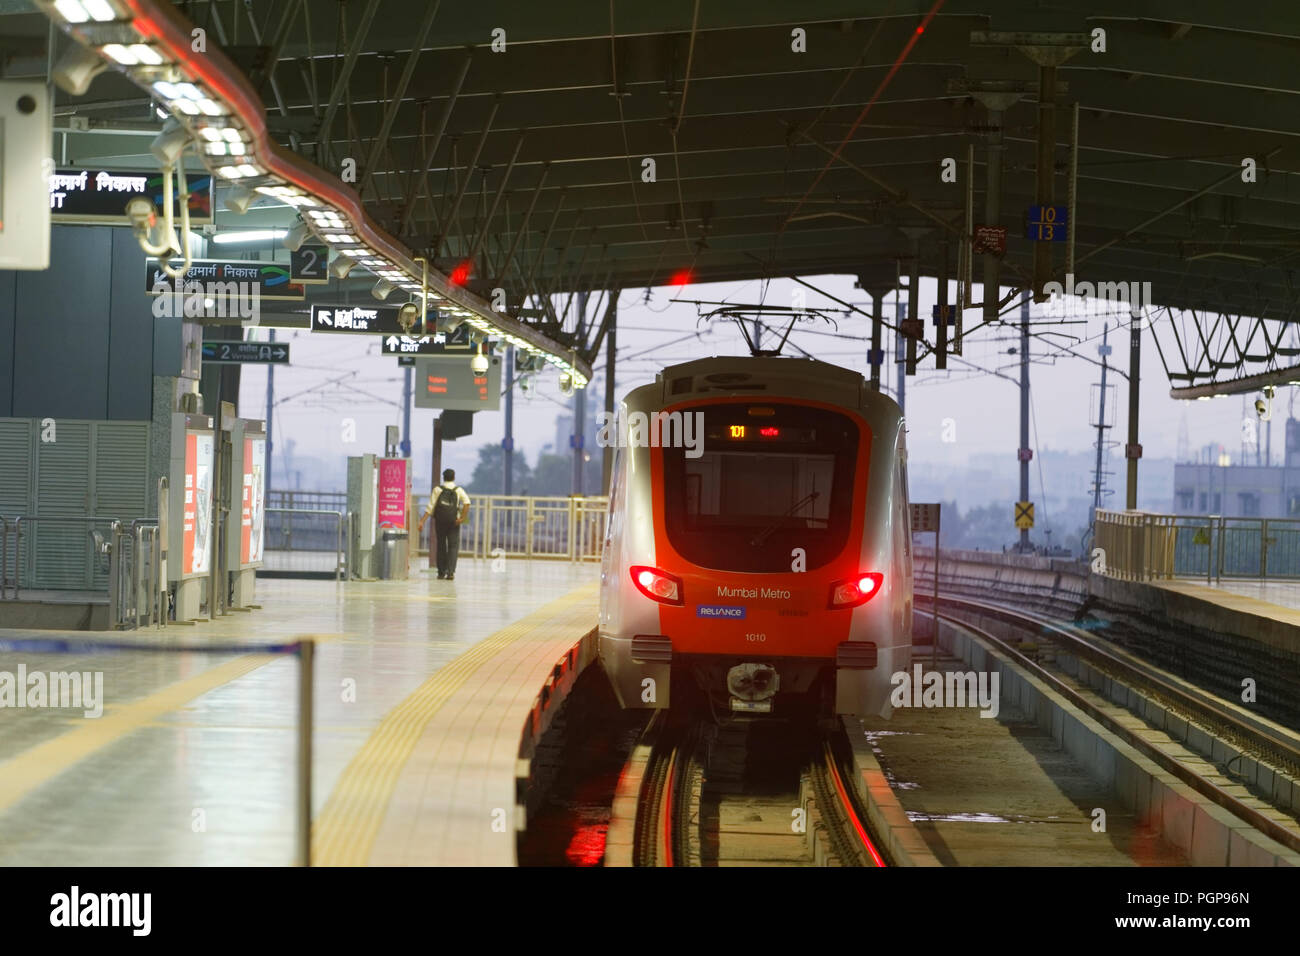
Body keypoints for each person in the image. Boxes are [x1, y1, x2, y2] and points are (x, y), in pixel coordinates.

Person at [418, 469, 470, 580]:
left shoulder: (437, 490)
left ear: (443, 477)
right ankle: (450, 572)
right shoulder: (458, 490)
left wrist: (422, 521)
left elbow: (430, 507)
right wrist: (462, 518)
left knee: (441, 545)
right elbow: (467, 503)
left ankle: (441, 572)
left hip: (440, 521)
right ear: (454, 477)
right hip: (454, 521)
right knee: (453, 546)